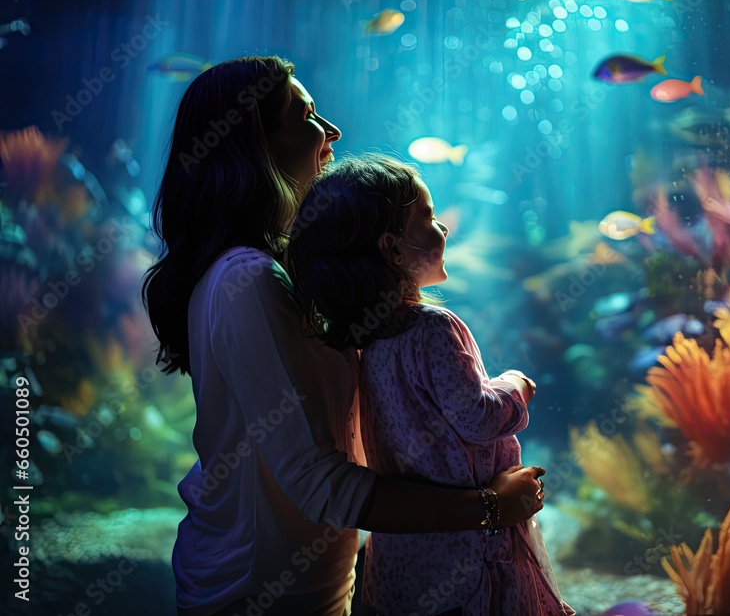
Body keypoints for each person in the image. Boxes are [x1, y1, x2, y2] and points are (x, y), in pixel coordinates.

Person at [141, 56, 545, 616]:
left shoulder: (273, 271)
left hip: (308, 584)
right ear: (257, 144)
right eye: (306, 114)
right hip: (255, 590)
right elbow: (318, 482)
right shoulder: (246, 279)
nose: (331, 132)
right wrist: (486, 510)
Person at [286, 154, 575, 615]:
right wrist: (515, 386)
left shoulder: (362, 339)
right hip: (466, 554)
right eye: (429, 219)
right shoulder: (435, 327)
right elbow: (476, 416)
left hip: (404, 560)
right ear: (392, 250)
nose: (443, 230)